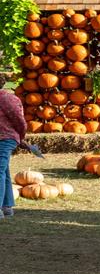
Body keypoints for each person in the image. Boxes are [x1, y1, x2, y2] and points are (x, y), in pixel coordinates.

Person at [1, 79, 45, 219]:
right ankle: (6, 206)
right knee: (4, 171)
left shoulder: (8, 99)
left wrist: (20, 137)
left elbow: (20, 122)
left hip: (5, 138)